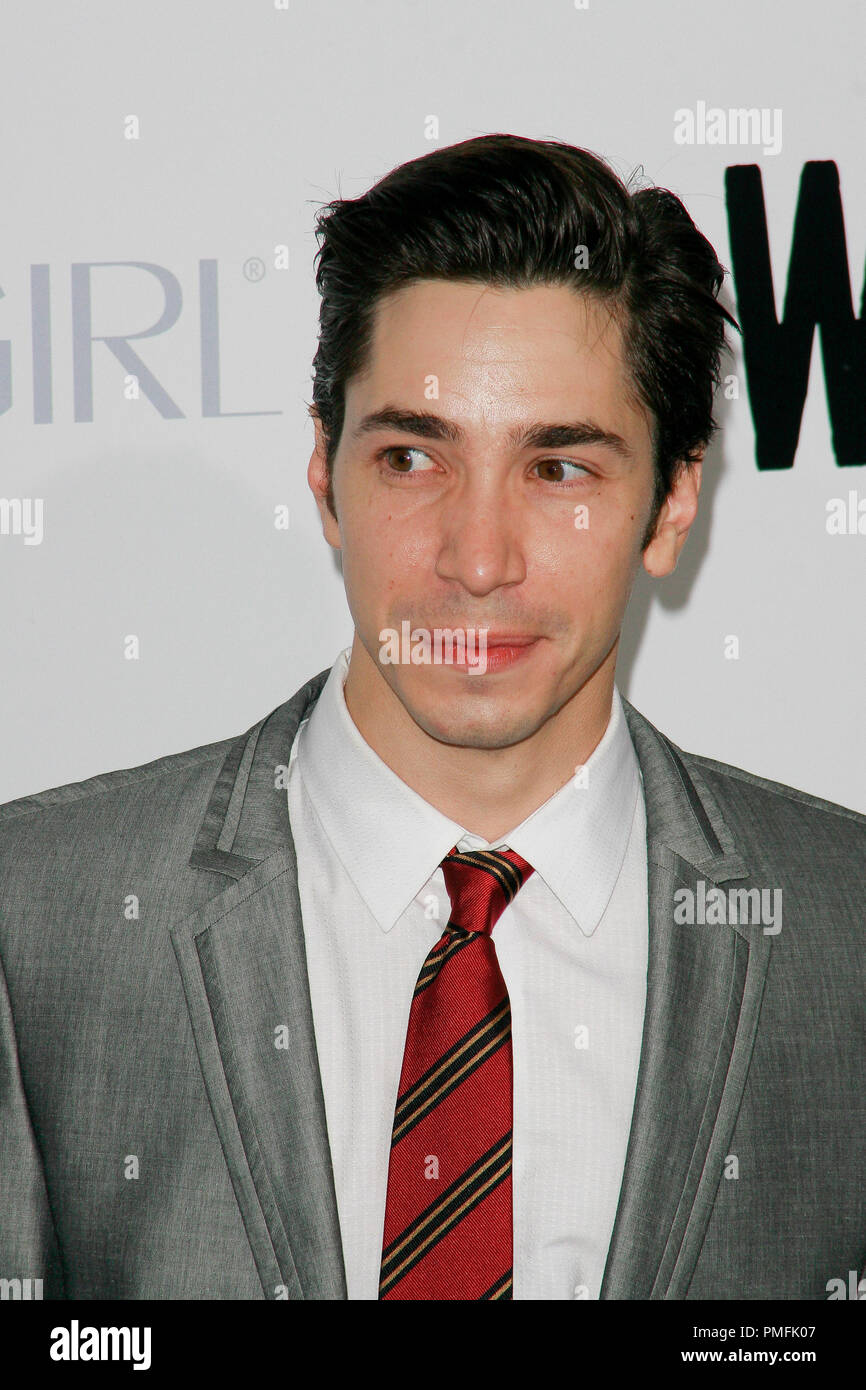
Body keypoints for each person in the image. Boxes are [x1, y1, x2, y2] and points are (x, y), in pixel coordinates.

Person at [1, 134, 864, 1302]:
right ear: (325, 479)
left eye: (558, 470)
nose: (476, 559)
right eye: (412, 456)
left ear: (669, 506)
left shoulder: (838, 926)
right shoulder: (39, 913)